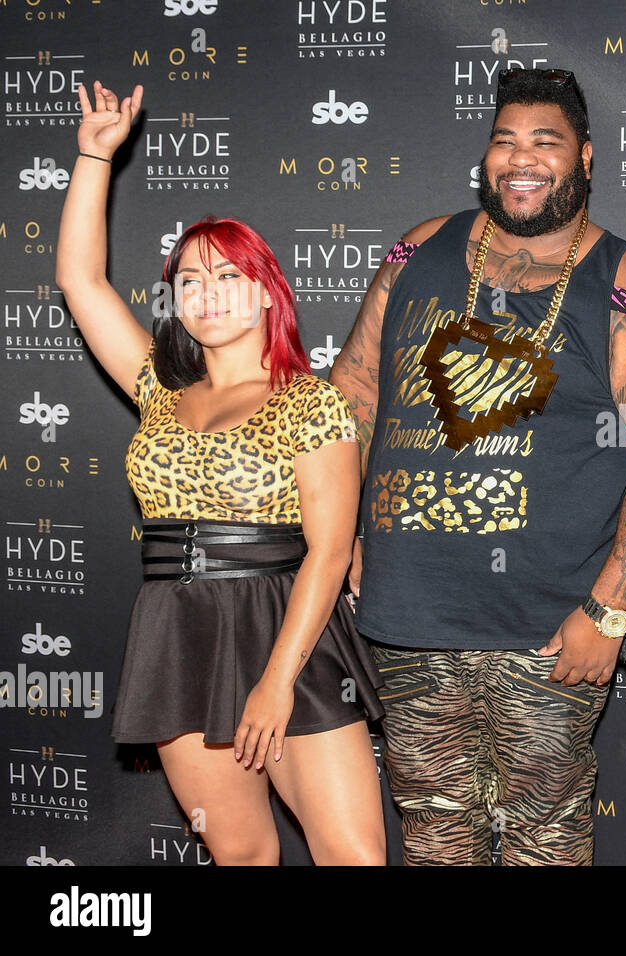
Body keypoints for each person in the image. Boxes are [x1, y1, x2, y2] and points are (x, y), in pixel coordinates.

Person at [329, 68, 626, 865]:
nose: (520, 159)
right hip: (410, 615)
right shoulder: (418, 250)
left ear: (587, 159)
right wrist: (338, 538)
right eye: (505, 140)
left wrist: (608, 611)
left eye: (545, 142)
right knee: (435, 832)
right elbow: (351, 399)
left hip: (547, 630)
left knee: (545, 839)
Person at [57, 81, 385, 866]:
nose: (208, 294)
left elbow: (330, 552)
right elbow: (80, 282)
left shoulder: (310, 402)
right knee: (240, 854)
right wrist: (94, 156)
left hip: (289, 633)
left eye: (230, 276)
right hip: (180, 630)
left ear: (270, 292)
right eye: (192, 280)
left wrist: (275, 684)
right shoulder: (157, 388)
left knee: (353, 856)